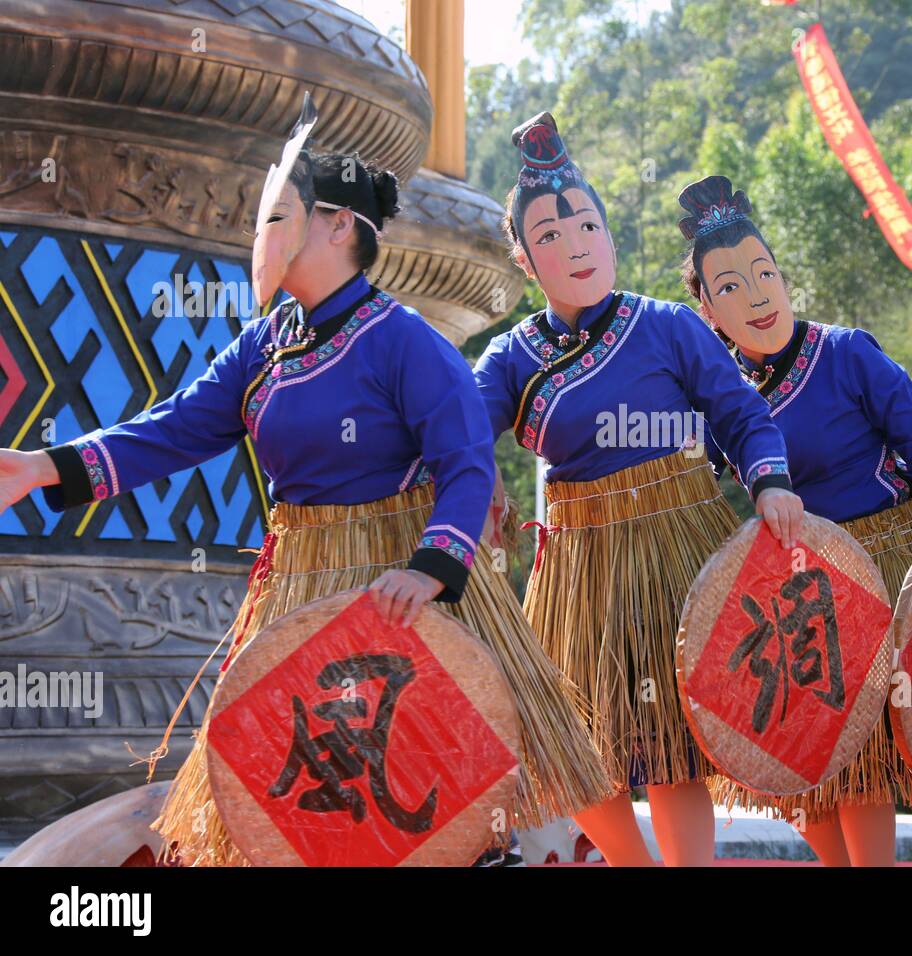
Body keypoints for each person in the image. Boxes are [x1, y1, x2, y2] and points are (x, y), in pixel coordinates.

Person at [0, 98, 612, 864]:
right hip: (300, 582)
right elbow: (176, 428)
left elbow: (465, 460)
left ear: (337, 225)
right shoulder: (262, 348)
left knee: (429, 795)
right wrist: (40, 469)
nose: (263, 235)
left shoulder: (404, 341)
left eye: (281, 215)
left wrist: (430, 569)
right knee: (296, 806)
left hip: (400, 590)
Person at [474, 116, 804, 867]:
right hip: (577, 566)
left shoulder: (665, 326)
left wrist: (770, 480)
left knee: (671, 747)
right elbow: (459, 429)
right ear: (526, 259)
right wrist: (479, 480)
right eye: (551, 237)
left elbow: (742, 412)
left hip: (676, 541)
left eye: (587, 223)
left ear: (609, 232)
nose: (577, 243)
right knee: (572, 739)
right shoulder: (512, 356)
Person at [676, 175, 912, 866]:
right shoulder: (719, 396)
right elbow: (701, 476)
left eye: (764, 273)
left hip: (879, 567)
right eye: (729, 286)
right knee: (802, 769)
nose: (755, 294)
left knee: (862, 762)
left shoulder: (845, 352)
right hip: (797, 593)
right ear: (708, 313)